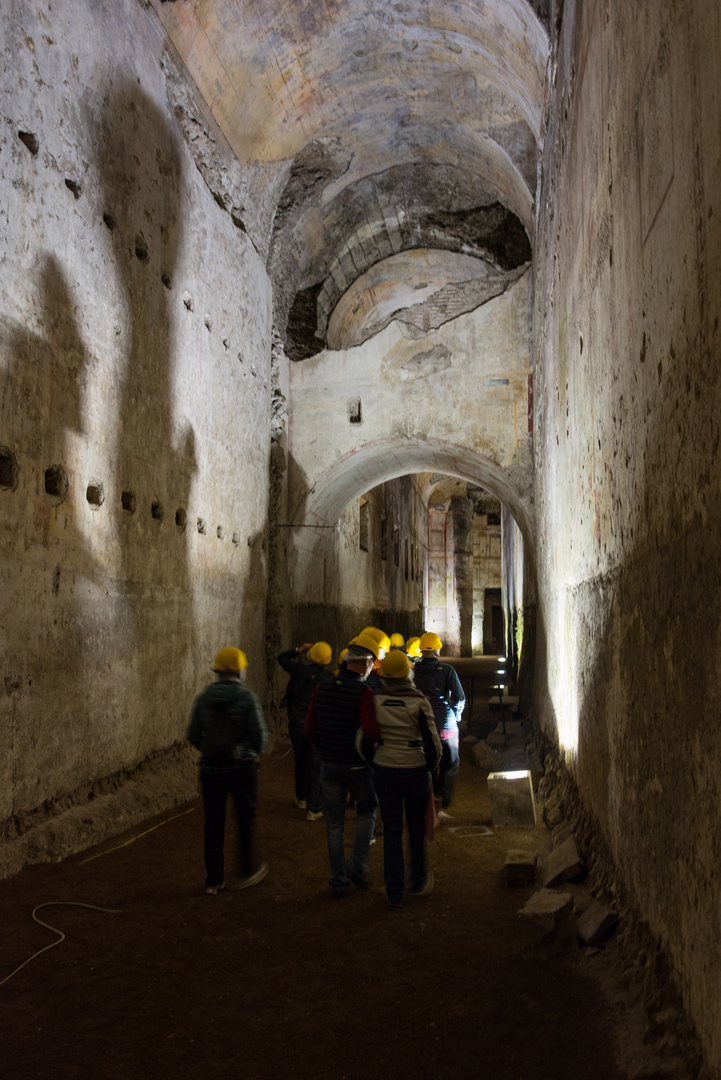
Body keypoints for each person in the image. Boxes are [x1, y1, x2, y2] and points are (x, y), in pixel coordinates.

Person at [360, 649, 441, 908]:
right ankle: (418, 881)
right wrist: (428, 767)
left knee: (392, 829)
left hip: (385, 770)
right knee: (415, 828)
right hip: (415, 770)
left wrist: (375, 762)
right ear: (409, 674)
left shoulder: (376, 702)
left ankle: (394, 891)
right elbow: (434, 745)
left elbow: (362, 739)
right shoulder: (420, 702)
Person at [187, 646, 268, 894]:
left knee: (213, 824)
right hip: (241, 768)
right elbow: (259, 737)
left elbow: (192, 735)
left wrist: (211, 750)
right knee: (245, 819)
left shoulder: (203, 698)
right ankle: (246, 871)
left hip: (211, 769)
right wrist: (248, 753)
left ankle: (214, 880)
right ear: (239, 671)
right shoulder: (247, 698)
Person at [305, 632, 380, 898]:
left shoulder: (321, 688)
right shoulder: (364, 692)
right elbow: (371, 731)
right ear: (365, 663)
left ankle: (339, 880)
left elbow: (310, 728)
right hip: (357, 766)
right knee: (366, 811)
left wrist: (325, 750)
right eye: (372, 664)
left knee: (334, 824)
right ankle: (358, 865)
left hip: (330, 764)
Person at [412, 632, 465, 819]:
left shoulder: (413, 671)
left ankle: (429, 804)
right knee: (450, 764)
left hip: (423, 726)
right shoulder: (447, 670)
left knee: (428, 766)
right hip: (445, 725)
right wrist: (455, 716)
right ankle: (442, 803)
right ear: (437, 649)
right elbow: (460, 697)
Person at [277, 641, 331, 820]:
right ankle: (314, 808)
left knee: (300, 758)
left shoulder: (299, 670)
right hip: (317, 725)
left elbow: (281, 658)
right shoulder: (328, 679)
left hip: (298, 723)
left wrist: (299, 650)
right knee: (316, 763)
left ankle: (301, 797)